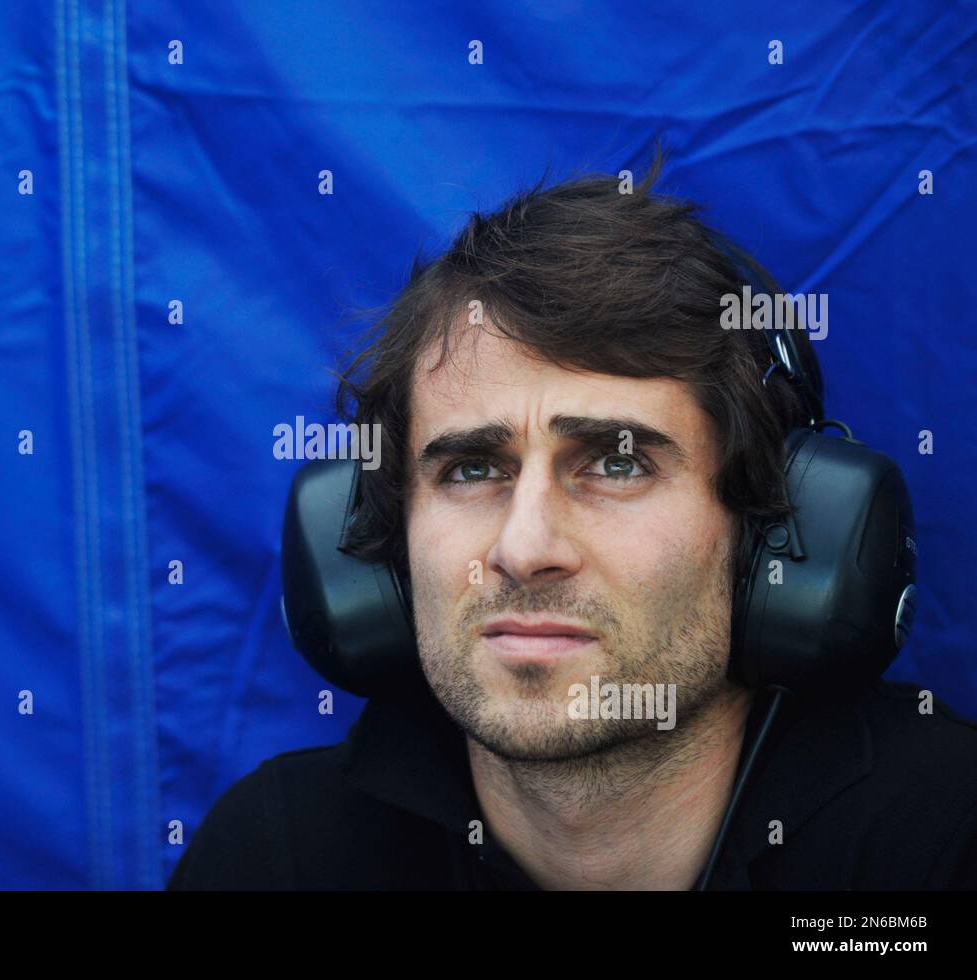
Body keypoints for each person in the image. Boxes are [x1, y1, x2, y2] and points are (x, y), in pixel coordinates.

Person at [167, 152, 977, 890]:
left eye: (617, 464)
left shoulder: (941, 844)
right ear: (380, 547)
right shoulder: (277, 856)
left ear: (775, 532)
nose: (523, 550)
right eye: (471, 470)